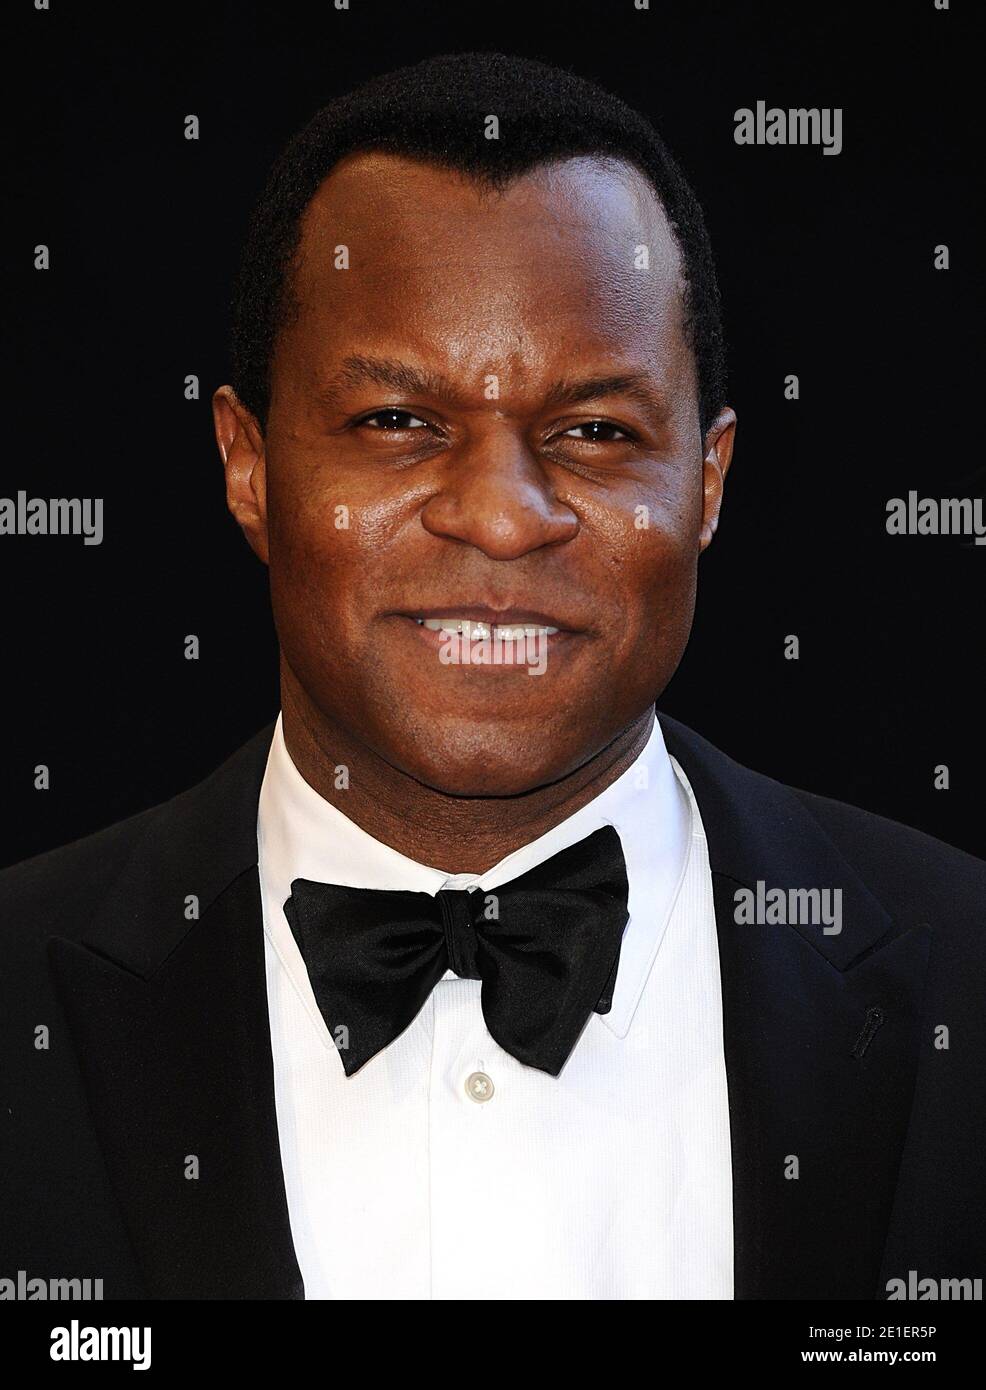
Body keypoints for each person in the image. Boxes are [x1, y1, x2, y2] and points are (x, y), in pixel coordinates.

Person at [2, 52, 983, 1301]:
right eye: (398, 423)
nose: (502, 518)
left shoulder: (961, 980)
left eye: (593, 431)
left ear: (707, 481)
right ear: (249, 467)